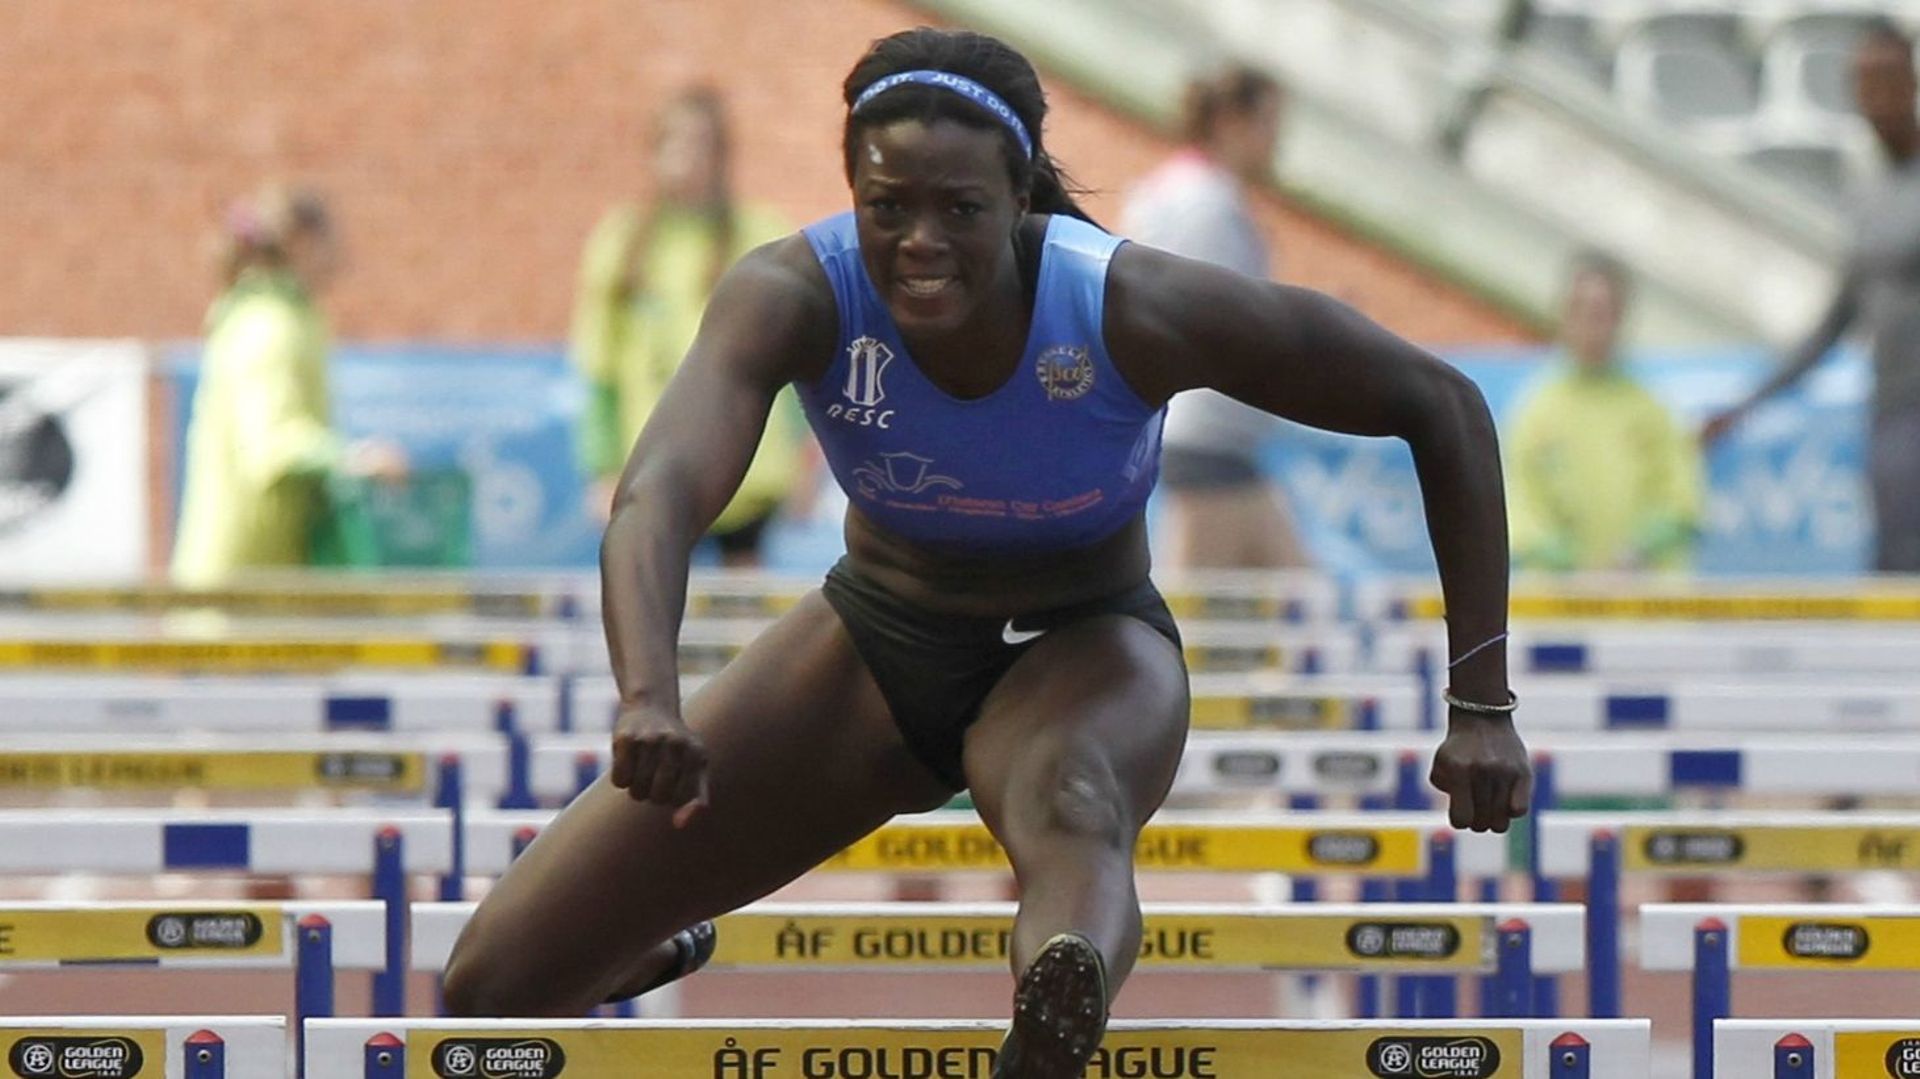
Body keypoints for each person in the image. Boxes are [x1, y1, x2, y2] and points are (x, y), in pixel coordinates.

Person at [443, 28, 1529, 1076]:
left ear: (1021, 201)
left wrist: (1482, 705)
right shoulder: (794, 293)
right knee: (488, 988)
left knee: (1073, 803)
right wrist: (647, 692)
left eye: (959, 209)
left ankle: (1057, 1012)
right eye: (887, 208)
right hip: (876, 639)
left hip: (1084, 645)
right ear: (850, 194)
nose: (919, 242)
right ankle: (650, 939)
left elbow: (1442, 405)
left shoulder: (1127, 306)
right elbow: (657, 493)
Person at [1703, 19, 1920, 573]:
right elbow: (1836, 322)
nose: (1874, 98)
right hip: (1891, 412)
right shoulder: (1868, 199)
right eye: (1862, 84)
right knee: (1896, 577)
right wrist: (1749, 401)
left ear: (1912, 82)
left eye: (1886, 79)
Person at [570, 86, 801, 567]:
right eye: (672, 143)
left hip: (748, 470)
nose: (683, 157)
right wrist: (603, 466)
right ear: (652, 151)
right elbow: (599, 367)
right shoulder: (622, 241)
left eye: (697, 144)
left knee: (742, 621)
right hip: (658, 464)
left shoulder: (761, 234)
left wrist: (806, 458)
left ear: (720, 154)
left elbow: (800, 355)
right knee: (658, 608)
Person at [1121, 65, 1310, 569]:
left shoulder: (1168, 192)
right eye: (1268, 124)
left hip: (1198, 427)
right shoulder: (1210, 206)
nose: (1276, 142)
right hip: (1206, 428)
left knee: (1275, 605)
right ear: (1230, 121)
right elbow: (1229, 317)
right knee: (1202, 616)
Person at [171, 186, 405, 586]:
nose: (339, 254)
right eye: (329, 239)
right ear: (301, 241)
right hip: (239, 596)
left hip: (259, 583)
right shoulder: (270, 327)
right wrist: (354, 458)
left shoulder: (275, 319)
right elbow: (270, 442)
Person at [1506, 251, 1702, 573]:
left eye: (1602, 312)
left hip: (1645, 608)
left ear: (1620, 317)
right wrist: (1570, 565)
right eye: (1580, 310)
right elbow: (1521, 511)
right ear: (1564, 314)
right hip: (1560, 610)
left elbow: (1681, 504)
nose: (1591, 325)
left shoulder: (1651, 408)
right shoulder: (1536, 411)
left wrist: (1637, 554)